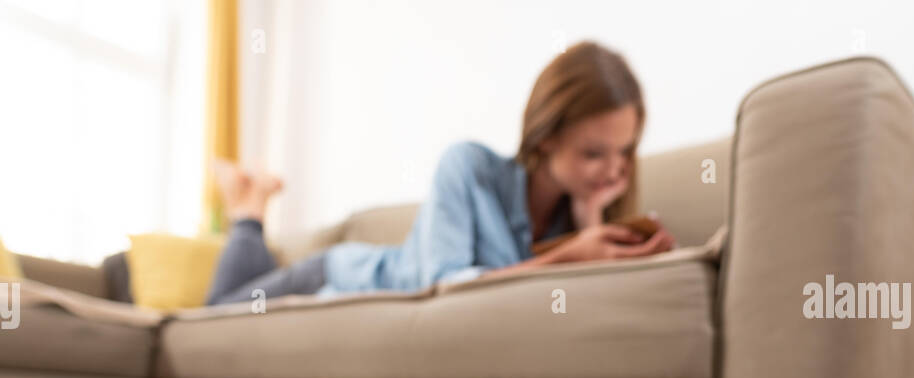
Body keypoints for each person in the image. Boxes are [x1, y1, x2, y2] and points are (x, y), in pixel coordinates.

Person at [203, 40, 675, 307]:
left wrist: (591, 218)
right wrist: (569, 256)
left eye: (625, 151)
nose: (614, 169)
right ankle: (250, 204)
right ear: (546, 136)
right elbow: (443, 288)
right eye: (594, 153)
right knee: (217, 312)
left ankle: (252, 200)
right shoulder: (467, 166)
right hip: (341, 275)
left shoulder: (576, 211)